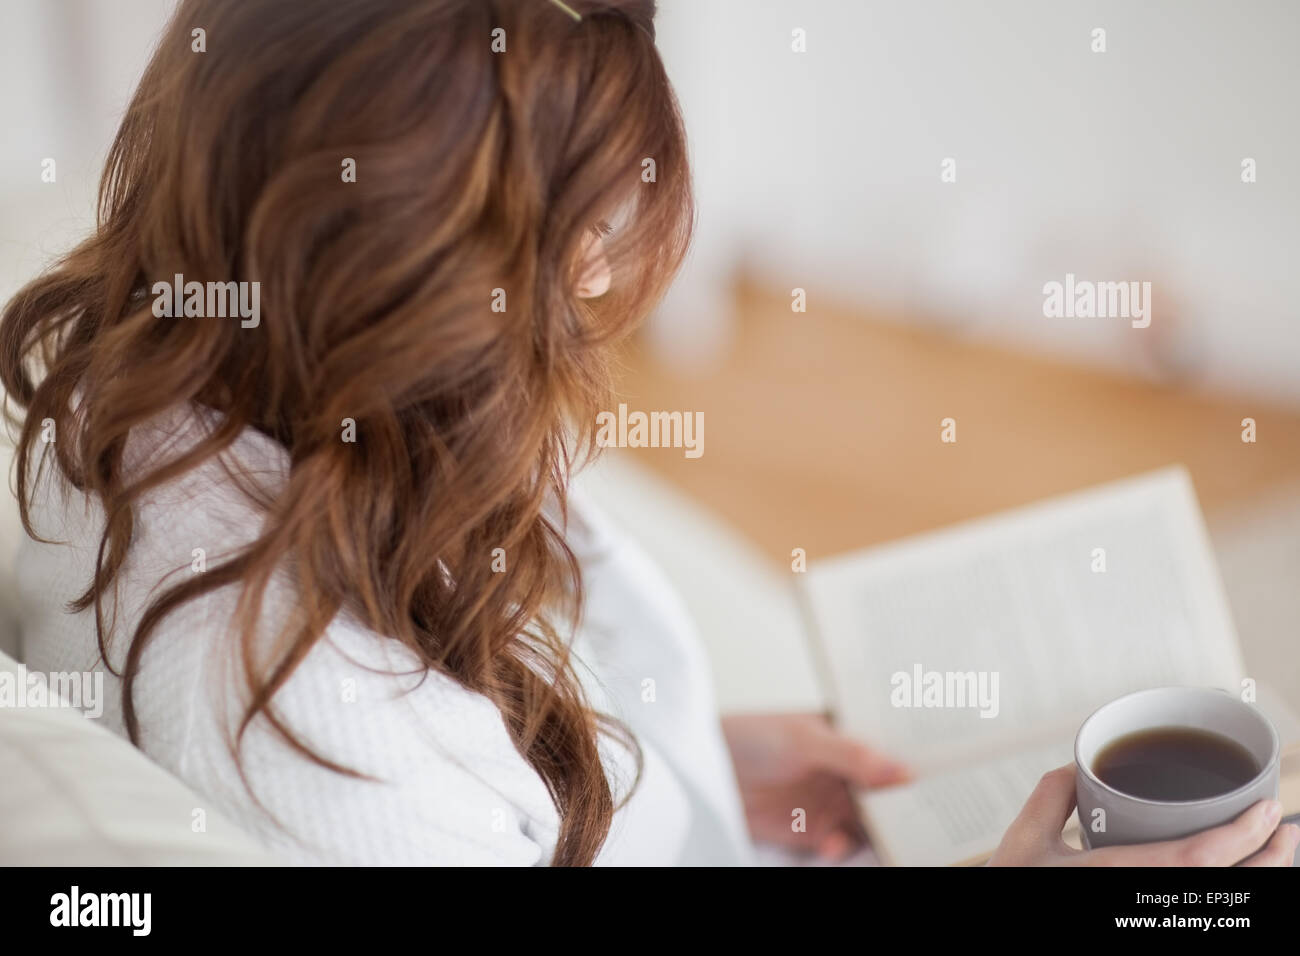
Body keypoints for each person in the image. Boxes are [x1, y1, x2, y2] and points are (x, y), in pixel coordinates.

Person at [2, 0, 1295, 867]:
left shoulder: (160, 389)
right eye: (567, 286)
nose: (577, 346)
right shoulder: (328, 755)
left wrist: (681, 762)